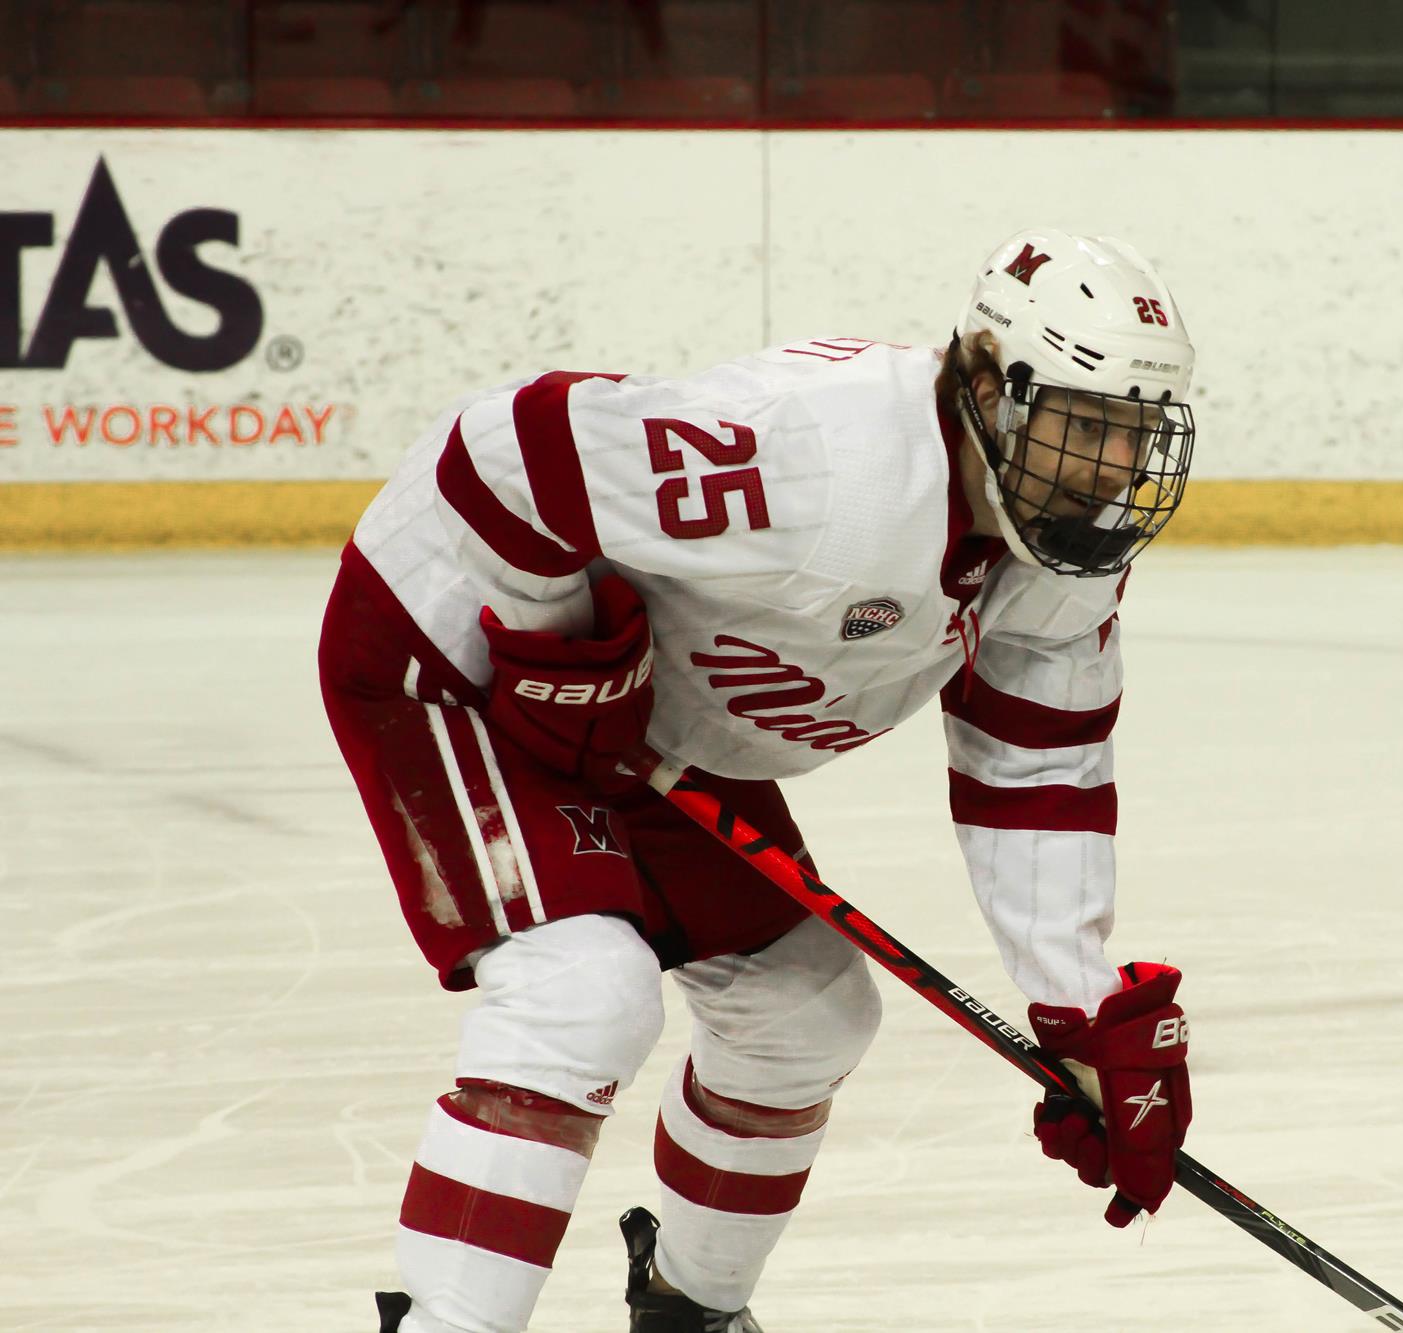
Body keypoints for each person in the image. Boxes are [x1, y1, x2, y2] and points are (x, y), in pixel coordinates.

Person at [320, 228, 1200, 1332]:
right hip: (457, 652)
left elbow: (1037, 774)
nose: (1110, 473)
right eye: (1083, 427)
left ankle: (688, 1312)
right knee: (580, 994)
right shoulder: (824, 465)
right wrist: (562, 642)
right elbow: (512, 450)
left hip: (640, 719)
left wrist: (1076, 1015)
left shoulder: (1058, 562)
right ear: (986, 383)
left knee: (806, 1015)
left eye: (1134, 437)